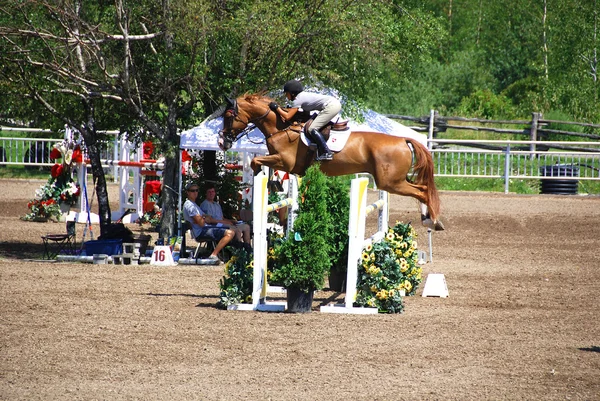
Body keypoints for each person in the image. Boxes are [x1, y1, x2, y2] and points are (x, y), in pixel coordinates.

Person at [268, 80, 341, 161]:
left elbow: (287, 116)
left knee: (312, 129)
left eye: (286, 93)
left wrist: (277, 108)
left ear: (292, 93)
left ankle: (327, 152)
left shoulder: (298, 99)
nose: (286, 96)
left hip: (331, 106)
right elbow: (305, 115)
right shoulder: (301, 97)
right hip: (333, 104)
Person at [182, 182, 235, 260]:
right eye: (192, 191)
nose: (195, 192)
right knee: (230, 233)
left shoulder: (194, 204)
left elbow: (208, 217)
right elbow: (202, 223)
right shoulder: (190, 205)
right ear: (187, 192)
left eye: (196, 190)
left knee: (232, 229)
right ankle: (214, 254)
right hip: (201, 232)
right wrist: (204, 218)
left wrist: (204, 217)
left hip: (206, 229)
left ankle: (231, 255)